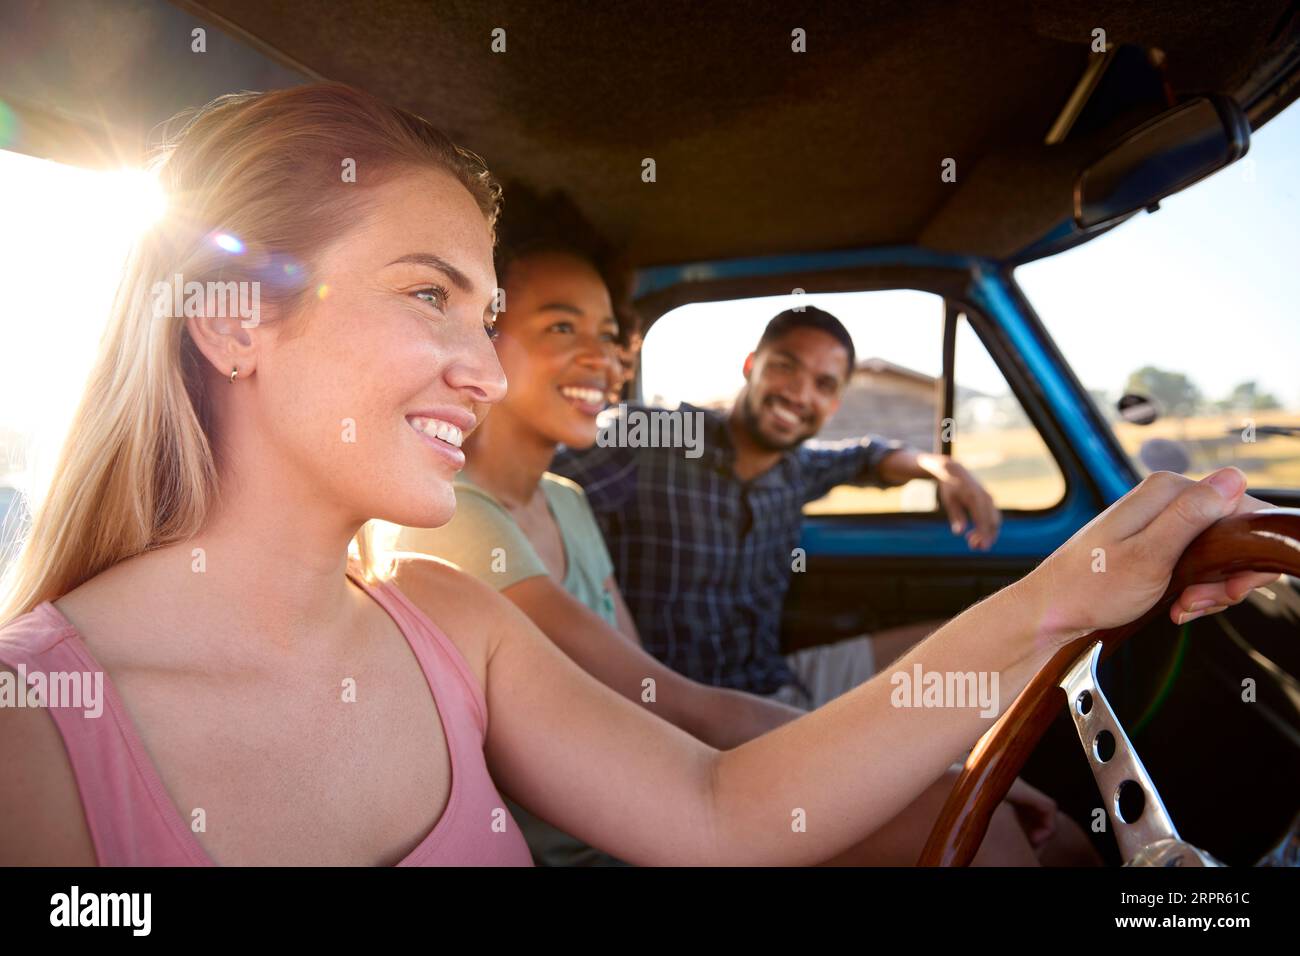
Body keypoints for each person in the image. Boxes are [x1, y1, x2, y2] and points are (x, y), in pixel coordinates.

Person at [0, 82, 1276, 868]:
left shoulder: (443, 625)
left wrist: (1054, 595)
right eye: (429, 295)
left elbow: (718, 806)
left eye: (484, 310)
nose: (484, 370)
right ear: (231, 319)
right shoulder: (33, 733)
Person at [551, 305, 1002, 708]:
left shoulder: (797, 470)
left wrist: (939, 467)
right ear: (751, 366)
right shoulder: (650, 440)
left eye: (823, 384)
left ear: (834, 404)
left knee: (985, 647)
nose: (799, 394)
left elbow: (868, 456)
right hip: (675, 709)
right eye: (786, 366)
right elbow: (533, 477)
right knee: (986, 800)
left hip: (778, 682)